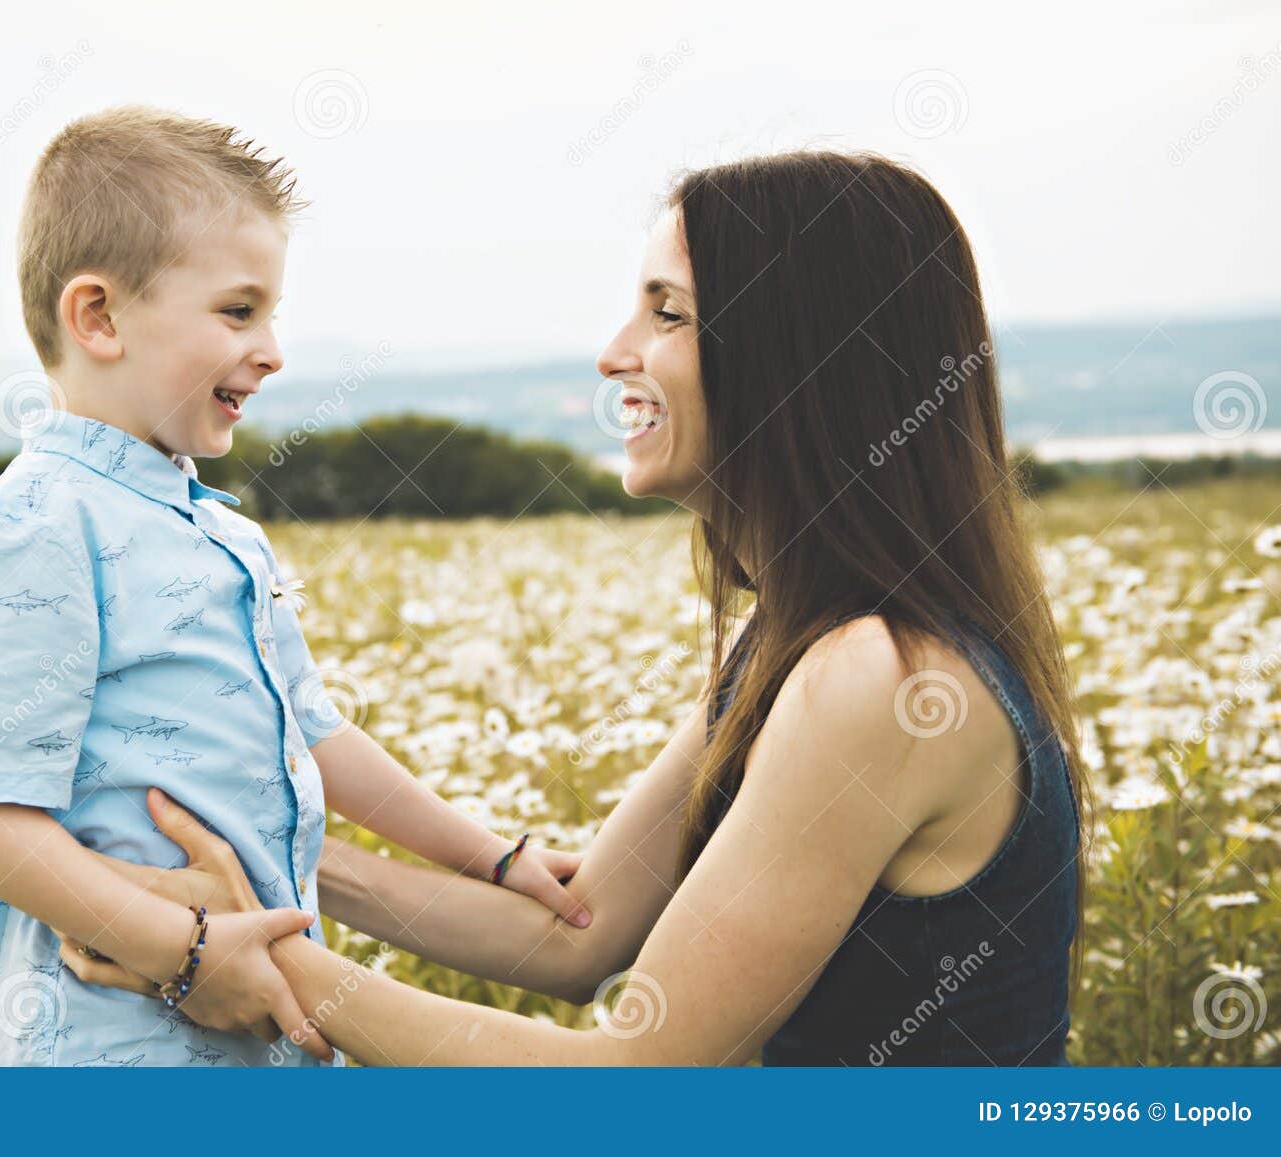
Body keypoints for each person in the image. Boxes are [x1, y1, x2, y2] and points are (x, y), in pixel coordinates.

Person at [59, 151, 1091, 1066]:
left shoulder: (882, 677)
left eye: (668, 311)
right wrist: (241, 850)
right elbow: (575, 933)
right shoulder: (803, 639)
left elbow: (637, 1077)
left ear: (800, 359)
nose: (613, 351)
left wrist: (253, 957)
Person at [0, 106, 583, 1068]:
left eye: (271, 314)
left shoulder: (222, 532)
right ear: (98, 317)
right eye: (237, 311)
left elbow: (317, 733)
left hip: (258, 1022)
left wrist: (492, 856)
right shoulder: (36, 528)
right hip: (112, 1045)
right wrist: (180, 952)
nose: (271, 350)